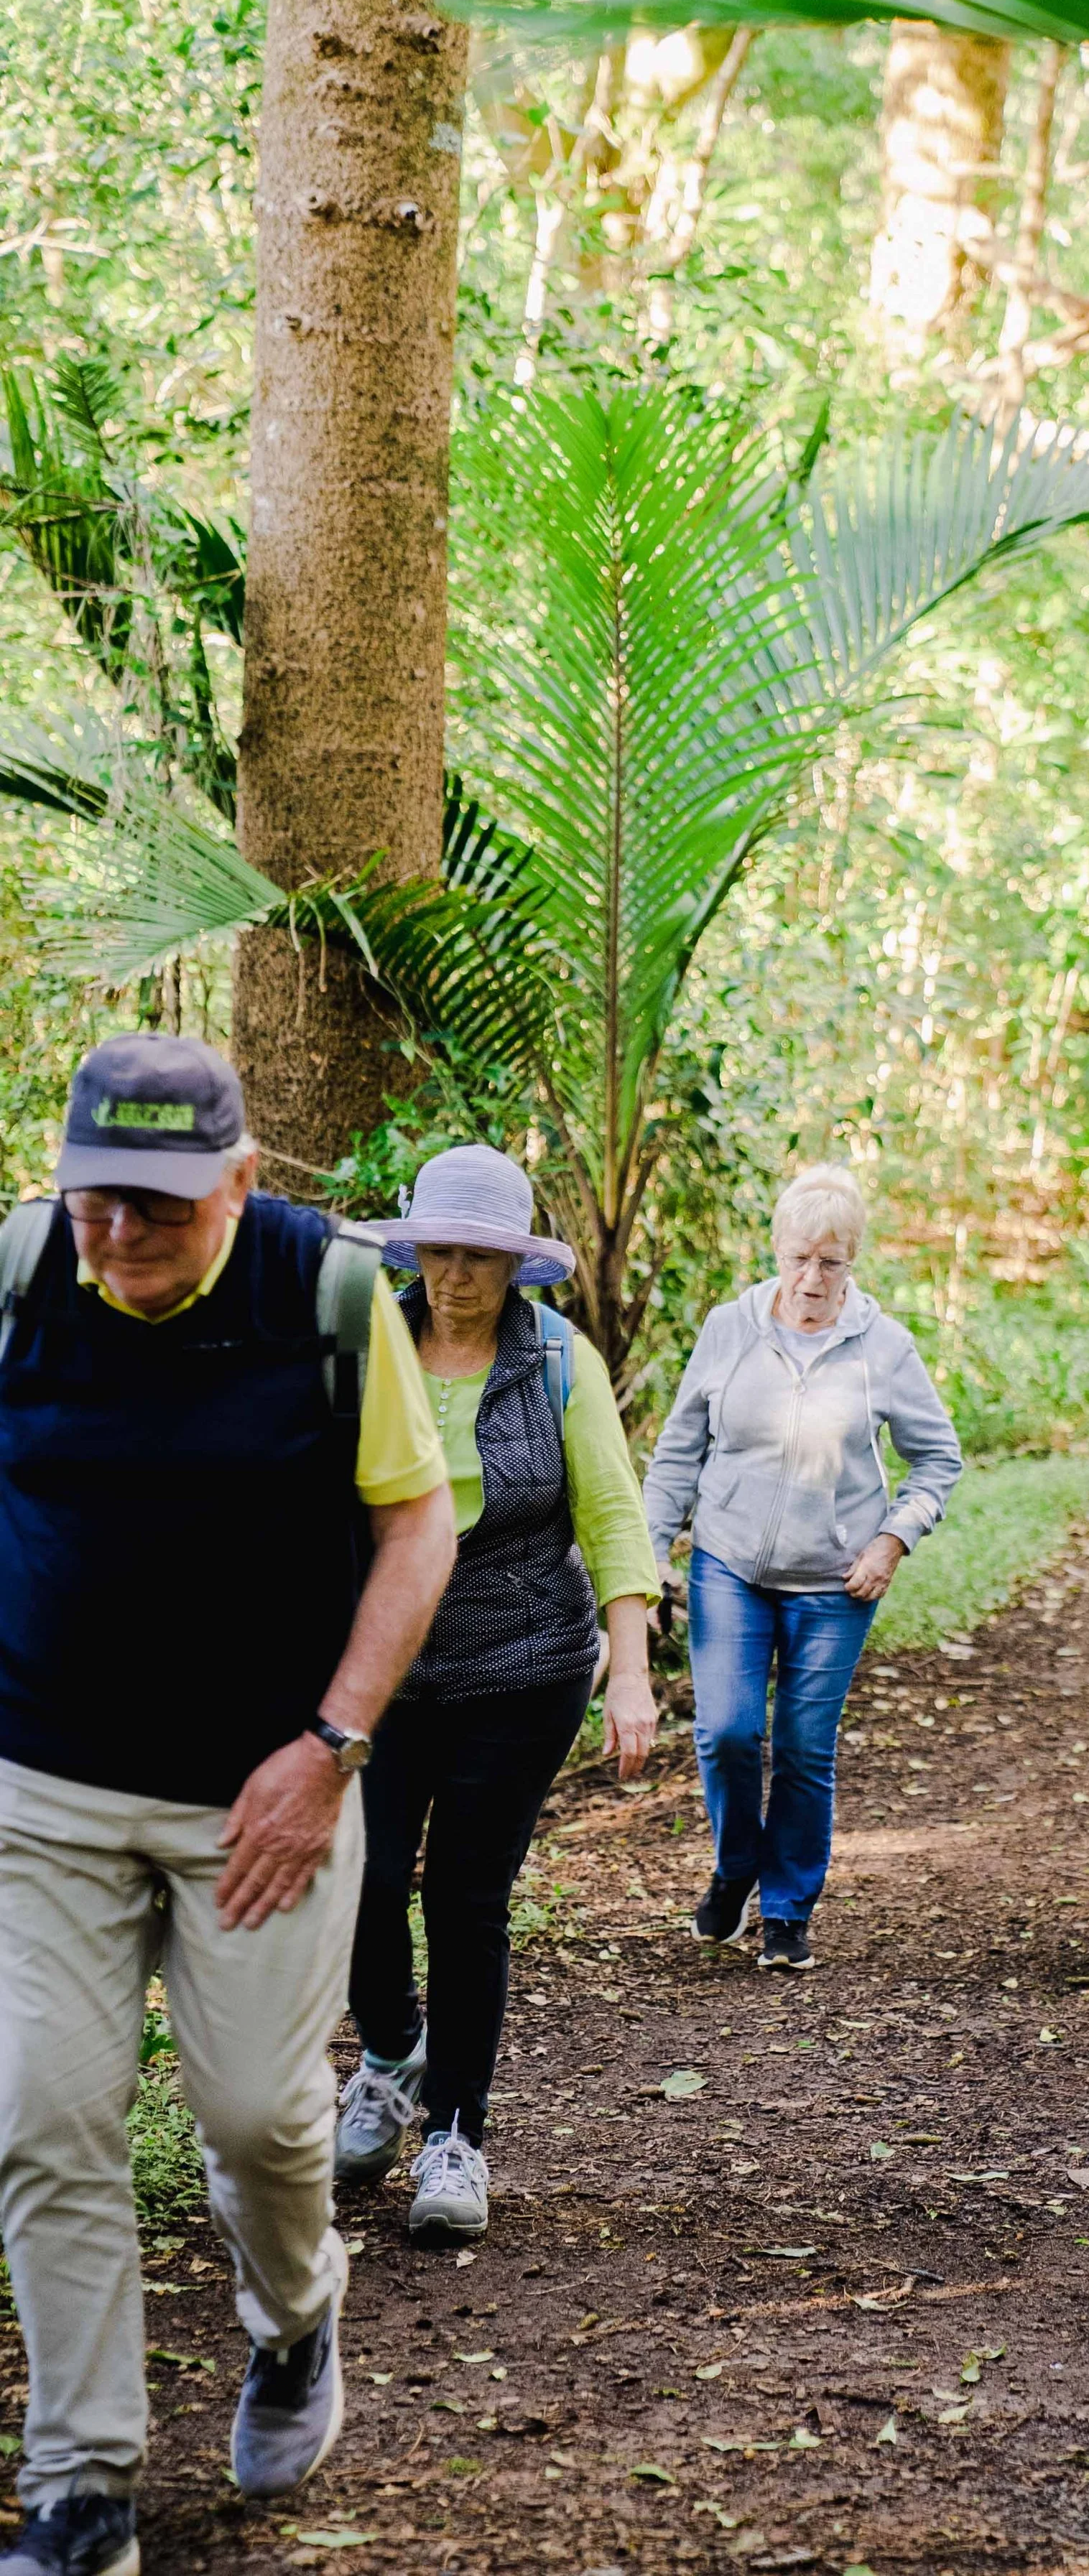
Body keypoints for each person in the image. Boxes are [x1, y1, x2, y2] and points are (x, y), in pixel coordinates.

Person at [0, 1036, 457, 2576]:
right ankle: (81, 2481)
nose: (121, 1232)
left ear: (242, 1180)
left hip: (264, 1800)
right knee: (42, 2114)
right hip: (43, 1786)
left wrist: (332, 1743)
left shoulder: (324, 1294)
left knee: (259, 2117)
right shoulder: (20, 1275)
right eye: (96, 1199)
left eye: (161, 1204)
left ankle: (296, 2317)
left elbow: (417, 1525)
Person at [331, 1147, 661, 2244]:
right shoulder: (367, 1344)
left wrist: (630, 1669)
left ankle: (455, 2134)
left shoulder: (560, 1357)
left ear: (515, 1263)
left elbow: (611, 1512)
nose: (456, 1275)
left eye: (478, 1256)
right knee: (364, 1879)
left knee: (466, 1896)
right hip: (385, 1665)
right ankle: (391, 2053)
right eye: (439, 1251)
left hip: (521, 1665)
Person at [643, 1164, 963, 1973]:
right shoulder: (730, 1327)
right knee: (726, 1732)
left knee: (802, 1747)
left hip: (835, 1580)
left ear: (854, 1261)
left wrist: (892, 1539)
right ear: (775, 1251)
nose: (812, 1278)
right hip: (729, 1565)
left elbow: (938, 1459)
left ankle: (786, 1909)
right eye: (798, 1258)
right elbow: (678, 1452)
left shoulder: (884, 1346)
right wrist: (649, 1555)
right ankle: (734, 1867)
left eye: (831, 1261)